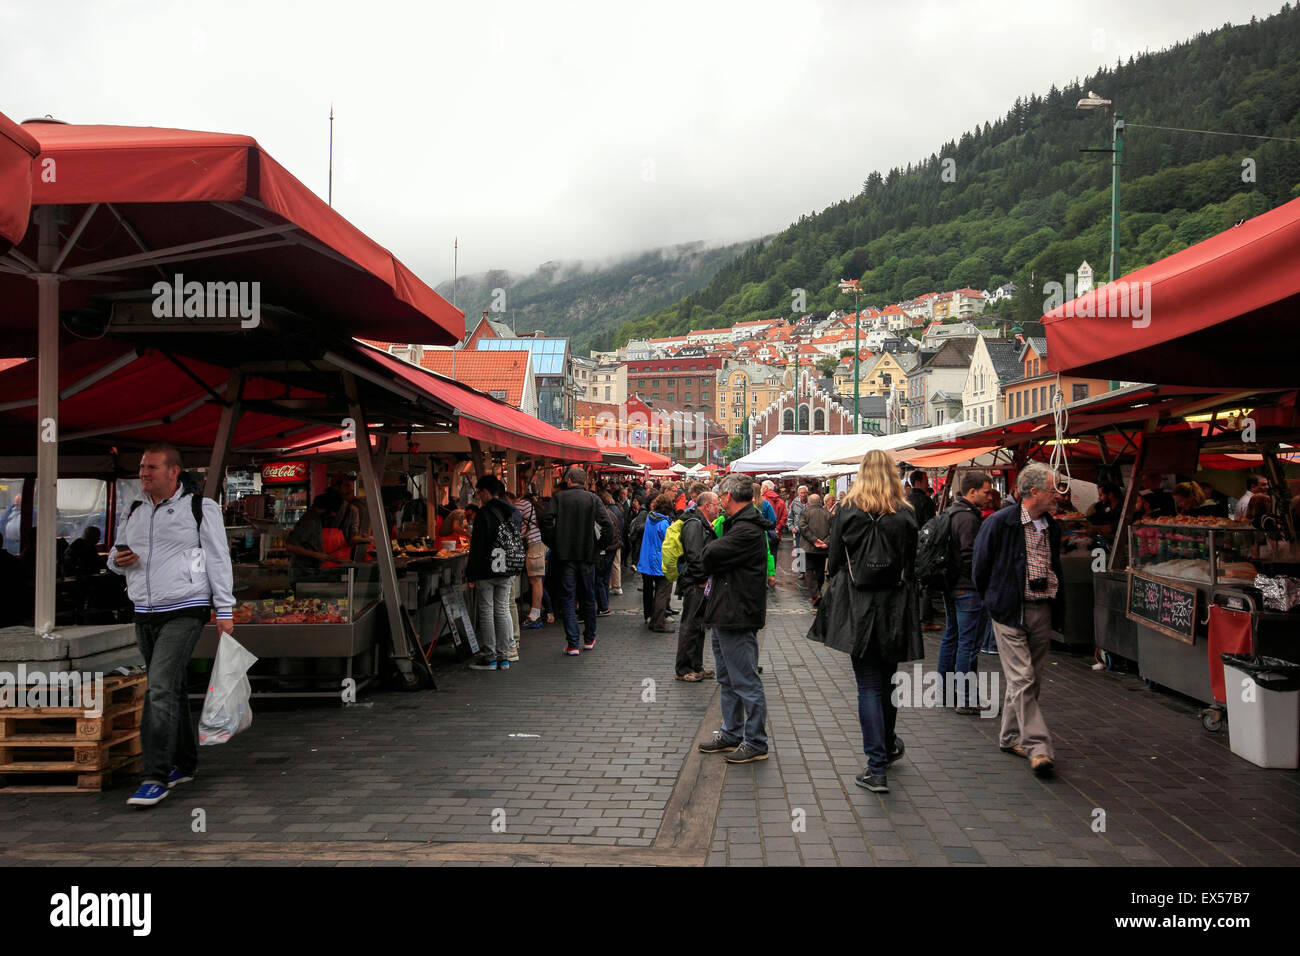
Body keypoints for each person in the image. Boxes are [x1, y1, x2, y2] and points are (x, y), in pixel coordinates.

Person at [109, 443, 235, 808]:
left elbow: (217, 557)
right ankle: (184, 763)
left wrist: (224, 610)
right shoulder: (133, 509)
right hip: (144, 610)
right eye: (142, 467)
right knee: (173, 687)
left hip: (186, 607)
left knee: (159, 687)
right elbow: (117, 561)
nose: (143, 473)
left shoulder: (199, 508)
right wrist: (120, 560)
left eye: (151, 467)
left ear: (173, 471)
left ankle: (155, 775)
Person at [805, 450, 919, 793]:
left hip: (858, 602)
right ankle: (886, 746)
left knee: (869, 684)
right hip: (895, 604)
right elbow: (912, 564)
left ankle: (876, 765)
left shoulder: (848, 510)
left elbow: (836, 558)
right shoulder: (906, 513)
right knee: (888, 681)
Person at [972, 462, 1064, 778]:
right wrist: (994, 601)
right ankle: (1038, 748)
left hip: (1041, 608)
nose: (1057, 496)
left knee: (1029, 680)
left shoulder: (1051, 525)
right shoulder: (1001, 523)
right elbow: (980, 567)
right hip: (1009, 610)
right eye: (1053, 490)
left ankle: (1010, 736)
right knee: (1023, 678)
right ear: (1034, 491)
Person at [697, 474, 770, 764]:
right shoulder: (738, 526)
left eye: (720, 496)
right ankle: (732, 733)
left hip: (737, 612)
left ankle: (756, 741)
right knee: (728, 678)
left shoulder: (746, 530)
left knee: (744, 679)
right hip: (726, 610)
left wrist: (711, 545)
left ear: (727, 497)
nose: (719, 501)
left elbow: (709, 555)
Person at [540, 467, 614, 655]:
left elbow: (546, 522)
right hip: (587, 555)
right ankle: (589, 638)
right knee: (588, 596)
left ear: (570, 480)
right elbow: (607, 525)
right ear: (584, 481)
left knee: (568, 596)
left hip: (565, 556)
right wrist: (599, 545)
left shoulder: (559, 498)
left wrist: (554, 543)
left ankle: (573, 642)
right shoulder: (593, 499)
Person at [937, 471, 993, 714]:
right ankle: (967, 698)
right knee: (967, 644)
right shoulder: (968, 518)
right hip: (967, 588)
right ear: (972, 491)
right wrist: (981, 582)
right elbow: (970, 555)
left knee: (952, 637)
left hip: (950, 584)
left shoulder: (950, 512)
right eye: (986, 491)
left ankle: (946, 692)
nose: (990, 496)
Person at [465, 475, 521, 671]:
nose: (478, 497)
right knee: (503, 609)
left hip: (486, 570)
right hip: (507, 568)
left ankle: (490, 657)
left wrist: (470, 573)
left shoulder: (484, 514)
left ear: (486, 492)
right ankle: (504, 657)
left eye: (478, 493)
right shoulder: (513, 512)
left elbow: (477, 546)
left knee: (487, 612)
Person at [674, 491, 720, 681]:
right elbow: (694, 555)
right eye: (717, 504)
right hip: (695, 583)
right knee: (690, 625)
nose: (720, 507)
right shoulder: (694, 524)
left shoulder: (700, 523)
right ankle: (683, 669)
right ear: (707, 506)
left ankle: (696, 665)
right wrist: (702, 578)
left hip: (701, 581)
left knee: (699, 625)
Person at [286, 489, 347, 578]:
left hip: (309, 570)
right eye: (333, 512)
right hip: (301, 572)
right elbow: (290, 546)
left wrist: (339, 561)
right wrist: (317, 555)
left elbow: (315, 548)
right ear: (327, 508)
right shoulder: (309, 521)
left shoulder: (316, 519)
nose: (333, 515)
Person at [637, 493, 675, 632]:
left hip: (648, 560)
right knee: (662, 592)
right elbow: (669, 542)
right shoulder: (663, 523)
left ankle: (653, 620)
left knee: (655, 590)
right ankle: (658, 623)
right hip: (659, 561)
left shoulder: (650, 518)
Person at [908, 470, 940, 631]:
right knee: (925, 581)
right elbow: (931, 525)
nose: (928, 482)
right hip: (924, 546)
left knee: (912, 580)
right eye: (926, 479)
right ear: (919, 481)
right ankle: (925, 619)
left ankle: (914, 615)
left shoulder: (906, 500)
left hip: (909, 545)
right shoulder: (925, 501)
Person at [514, 492, 546, 628]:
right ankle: (536, 613)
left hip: (534, 544)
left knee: (535, 580)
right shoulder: (532, 505)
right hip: (539, 543)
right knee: (536, 580)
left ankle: (535, 615)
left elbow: (511, 521)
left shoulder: (521, 504)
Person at [798, 493, 831, 605]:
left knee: (809, 570)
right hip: (822, 548)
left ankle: (815, 594)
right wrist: (826, 542)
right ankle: (817, 593)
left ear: (809, 502)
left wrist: (813, 540)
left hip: (808, 547)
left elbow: (802, 527)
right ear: (820, 502)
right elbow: (833, 530)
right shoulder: (827, 513)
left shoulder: (804, 513)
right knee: (820, 570)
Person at [595, 491, 623, 617]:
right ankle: (605, 605)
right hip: (613, 547)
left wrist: (601, 546)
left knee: (600, 578)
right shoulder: (611, 512)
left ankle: (603, 606)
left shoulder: (602, 515)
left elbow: (604, 533)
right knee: (605, 578)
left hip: (607, 549)